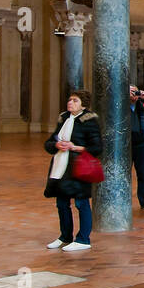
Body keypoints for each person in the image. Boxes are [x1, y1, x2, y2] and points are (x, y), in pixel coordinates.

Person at [44, 90, 103, 251]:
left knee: (81, 203)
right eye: (70, 100)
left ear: (83, 104)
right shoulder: (63, 118)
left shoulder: (89, 120)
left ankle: (83, 239)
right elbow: (50, 142)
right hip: (60, 167)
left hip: (79, 168)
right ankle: (65, 236)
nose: (70, 102)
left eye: (75, 100)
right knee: (62, 203)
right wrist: (56, 145)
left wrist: (74, 147)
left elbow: (97, 147)